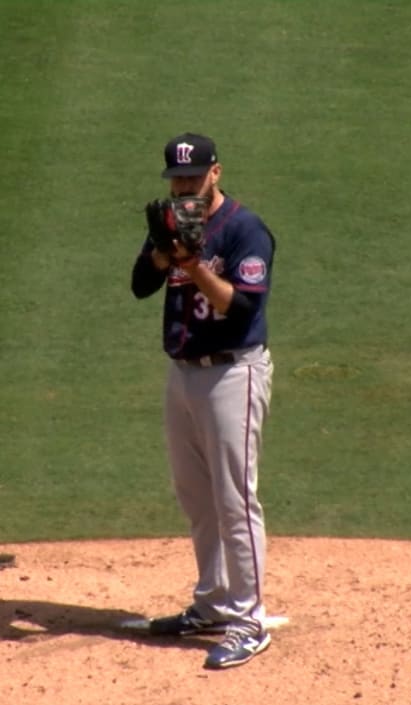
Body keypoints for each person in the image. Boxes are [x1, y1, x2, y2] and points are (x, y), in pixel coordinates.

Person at [130, 132, 277, 670]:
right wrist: (160, 252)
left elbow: (240, 311)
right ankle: (213, 604)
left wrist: (191, 265)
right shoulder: (171, 220)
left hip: (232, 375)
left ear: (216, 172)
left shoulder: (245, 229)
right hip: (183, 374)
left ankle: (250, 619)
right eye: (176, 179)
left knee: (235, 500)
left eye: (193, 177)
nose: (184, 187)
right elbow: (139, 286)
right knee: (195, 495)